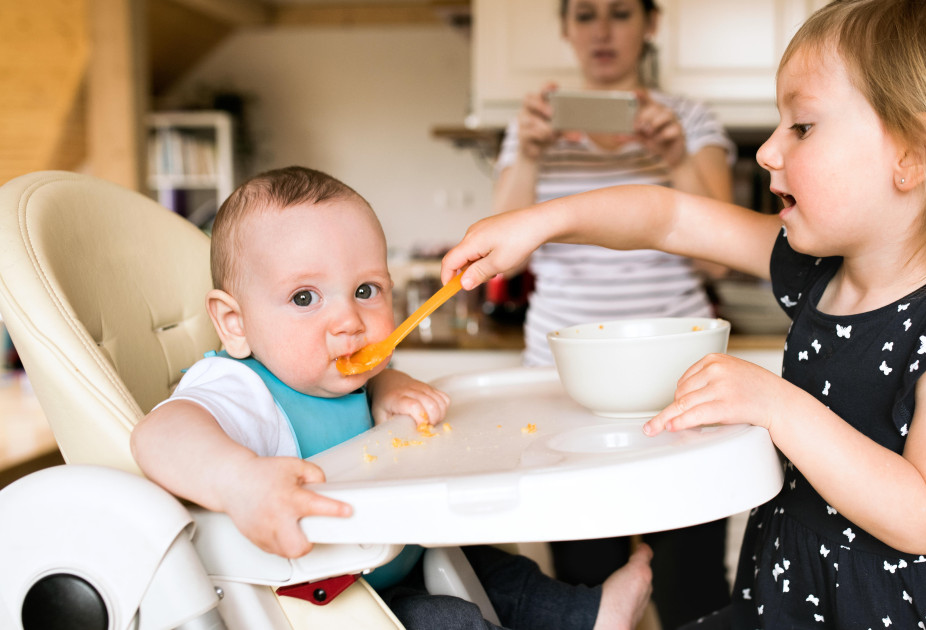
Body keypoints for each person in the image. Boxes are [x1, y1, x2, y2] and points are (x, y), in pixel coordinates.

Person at [442, 0, 926, 626]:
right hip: (798, 593)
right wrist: (544, 221)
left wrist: (773, 404)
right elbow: (672, 216)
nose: (768, 152)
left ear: (912, 154)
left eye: (801, 127)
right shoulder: (819, 273)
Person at [130, 166, 653, 630]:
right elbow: (160, 435)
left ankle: (587, 617)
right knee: (447, 620)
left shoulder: (344, 376)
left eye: (365, 290)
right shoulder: (241, 387)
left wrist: (387, 384)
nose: (349, 321)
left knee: (491, 564)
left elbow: (356, 391)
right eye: (304, 298)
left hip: (390, 563)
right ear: (235, 323)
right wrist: (238, 481)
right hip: (320, 603)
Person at [491, 1, 736, 623]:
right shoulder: (534, 127)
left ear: (650, 24)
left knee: (692, 585)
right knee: (586, 588)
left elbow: (721, 263)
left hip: (677, 380)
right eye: (586, 14)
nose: (602, 30)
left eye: (621, 12)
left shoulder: (689, 120)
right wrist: (529, 157)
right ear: (566, 28)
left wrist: (677, 158)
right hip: (561, 379)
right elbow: (503, 263)